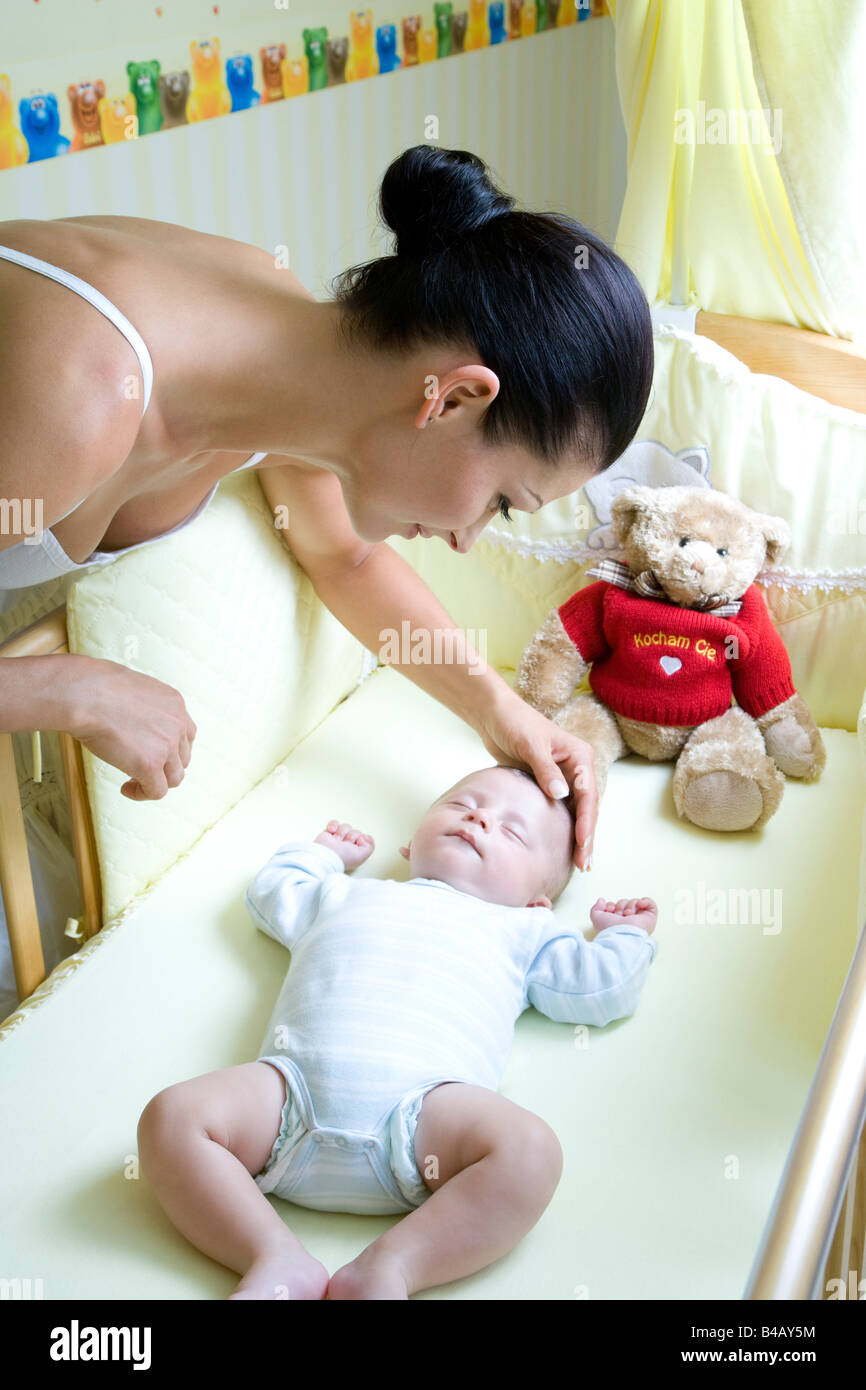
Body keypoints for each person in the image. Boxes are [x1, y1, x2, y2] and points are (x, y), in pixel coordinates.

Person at [0, 144, 654, 1009]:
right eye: (501, 501)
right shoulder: (84, 395)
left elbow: (340, 552)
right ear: (453, 398)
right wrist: (66, 690)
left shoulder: (286, 357)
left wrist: (505, 712)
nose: (466, 541)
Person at [137, 763, 659, 1300]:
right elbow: (271, 895)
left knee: (531, 1151)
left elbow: (597, 991)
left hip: (424, 1123)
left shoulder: (525, 931)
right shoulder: (340, 894)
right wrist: (322, 856)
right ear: (411, 843)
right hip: (283, 1104)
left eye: (512, 831)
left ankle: (392, 1268)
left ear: (537, 900)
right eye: (462, 806)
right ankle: (272, 1257)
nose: (479, 819)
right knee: (171, 1116)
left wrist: (624, 937)